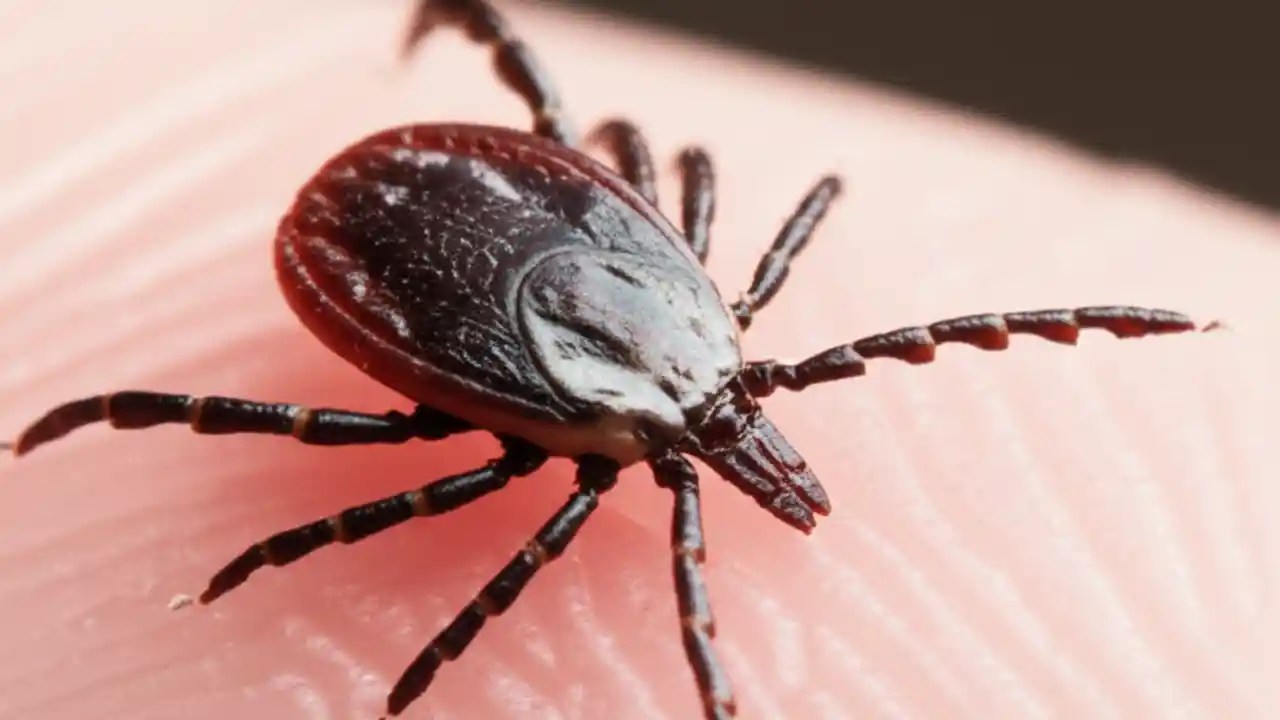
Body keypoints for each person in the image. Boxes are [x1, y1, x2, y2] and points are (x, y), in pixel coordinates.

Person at [1, 1, 1276, 718]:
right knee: (580, 170)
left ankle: (108, 413)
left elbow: (652, 165)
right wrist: (260, 530)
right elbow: (663, 169)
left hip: (429, 248)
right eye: (704, 422)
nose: (736, 442)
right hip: (395, 246)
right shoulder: (667, 369)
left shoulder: (677, 367)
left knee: (584, 154)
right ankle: (109, 412)